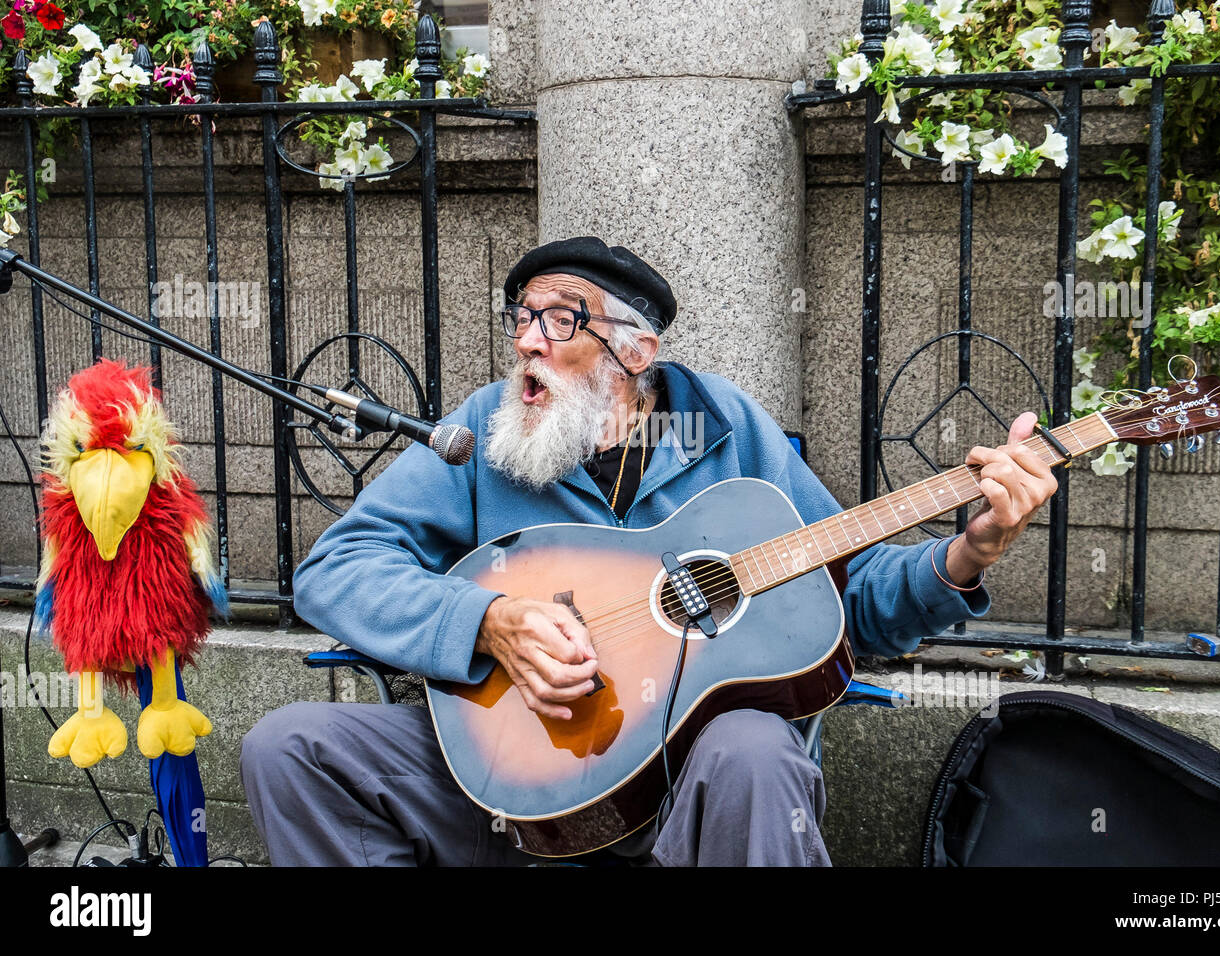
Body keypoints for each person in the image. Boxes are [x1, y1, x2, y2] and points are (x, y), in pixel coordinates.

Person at [240, 236, 1057, 866]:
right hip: (522, 780)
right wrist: (486, 621)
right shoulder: (487, 430)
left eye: (560, 319)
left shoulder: (728, 429)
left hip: (690, 790)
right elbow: (337, 569)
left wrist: (965, 555)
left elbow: (851, 595)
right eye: (520, 317)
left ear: (635, 352)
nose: (527, 341)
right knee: (293, 748)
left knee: (754, 752)